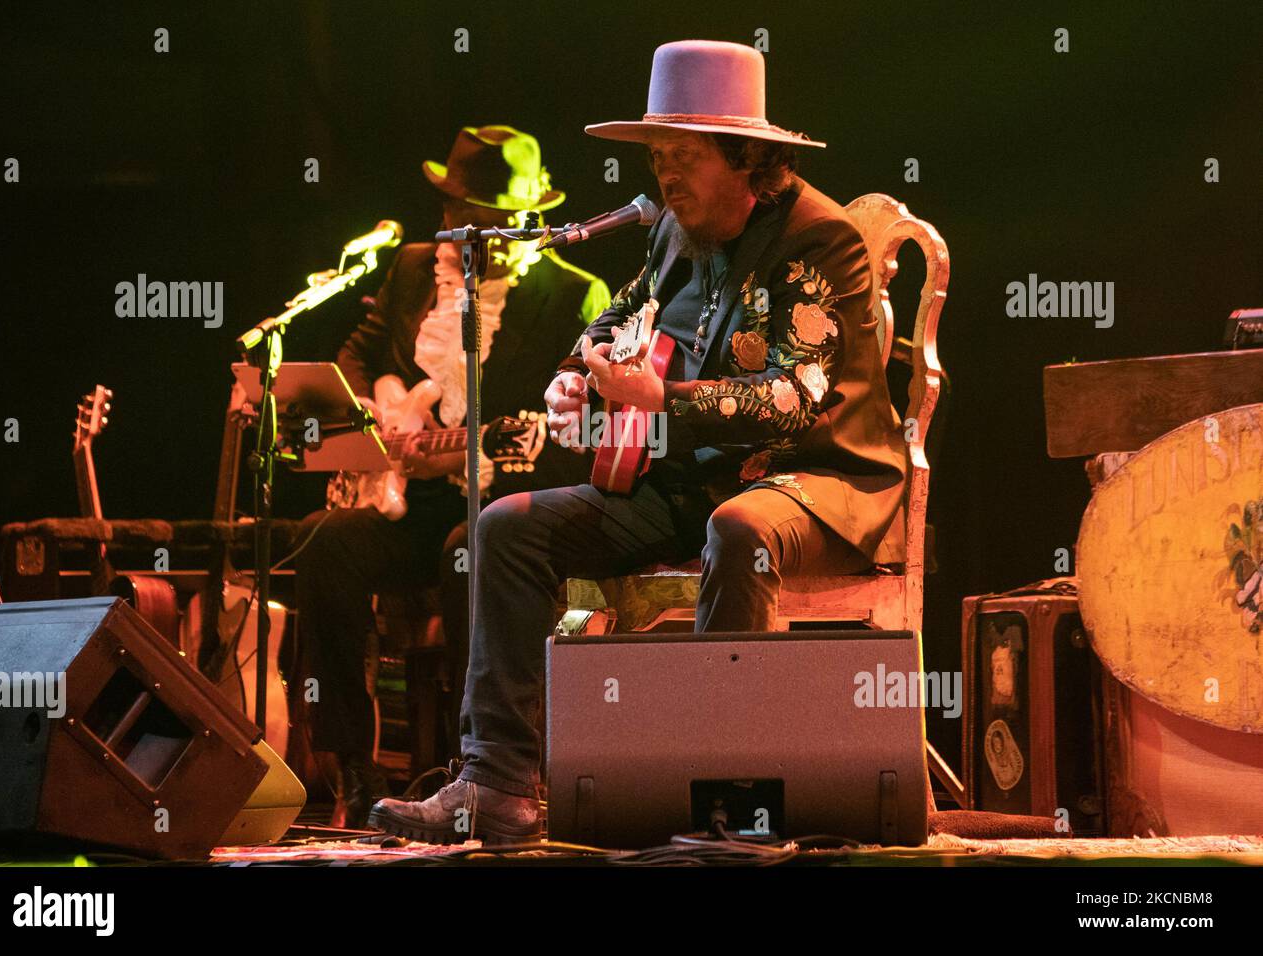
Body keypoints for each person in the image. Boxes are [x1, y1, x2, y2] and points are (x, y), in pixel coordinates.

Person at [371, 41, 909, 844]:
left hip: (820, 481)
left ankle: (728, 801)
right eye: (658, 157)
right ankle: (497, 784)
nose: (664, 176)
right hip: (695, 483)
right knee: (505, 529)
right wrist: (572, 373)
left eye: (683, 156)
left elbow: (795, 398)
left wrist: (663, 399)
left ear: (744, 156)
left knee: (741, 529)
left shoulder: (820, 238)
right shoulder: (676, 233)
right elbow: (618, 315)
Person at [292, 126, 610, 828]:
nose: (462, 230)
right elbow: (354, 355)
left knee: (469, 551)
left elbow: (585, 433)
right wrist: (381, 416)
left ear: (521, 220)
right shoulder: (409, 270)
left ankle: (485, 773)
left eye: (484, 219)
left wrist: (498, 454)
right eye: (453, 212)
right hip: (414, 493)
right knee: (322, 542)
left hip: (510, 497)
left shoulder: (576, 295)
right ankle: (353, 770)